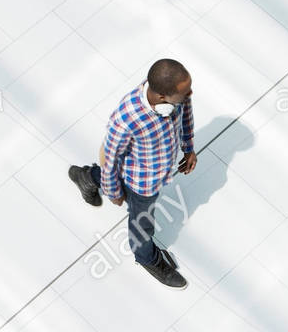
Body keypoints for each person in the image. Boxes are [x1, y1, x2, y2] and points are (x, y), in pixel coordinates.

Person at [68, 58, 197, 288]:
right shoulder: (126, 119)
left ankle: (87, 178)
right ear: (161, 98)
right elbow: (110, 159)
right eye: (185, 93)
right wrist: (113, 191)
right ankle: (147, 257)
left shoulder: (178, 98)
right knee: (142, 222)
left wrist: (188, 147)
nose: (190, 95)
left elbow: (186, 117)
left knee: (117, 182)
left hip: (156, 168)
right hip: (142, 182)